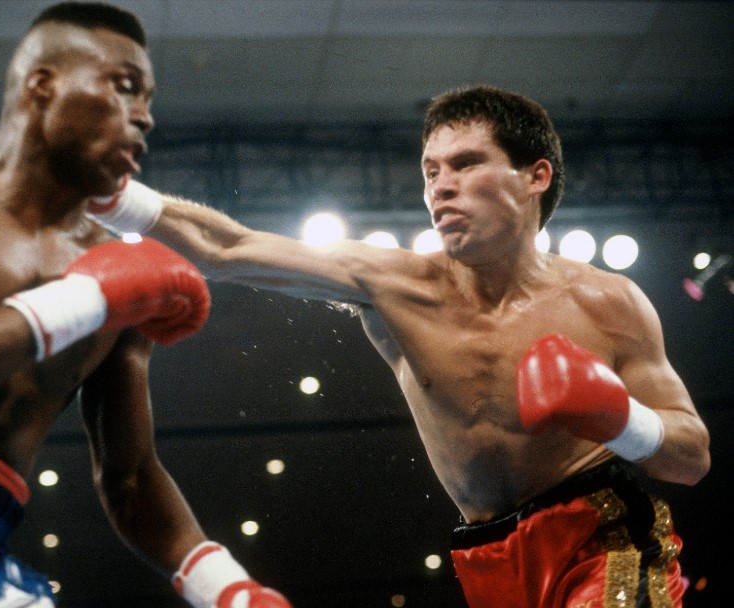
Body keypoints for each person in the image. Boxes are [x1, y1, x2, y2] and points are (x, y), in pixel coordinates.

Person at [88, 85, 712, 607]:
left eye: (466, 163)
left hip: (602, 540)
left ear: (535, 177)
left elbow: (691, 458)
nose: (440, 186)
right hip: (488, 558)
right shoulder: (396, 285)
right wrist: (110, 195)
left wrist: (621, 418)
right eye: (431, 171)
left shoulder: (607, 304)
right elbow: (228, 247)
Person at [0, 2, 291, 608]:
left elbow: (130, 480)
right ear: (42, 84)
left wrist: (228, 589)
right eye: (124, 87)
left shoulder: (117, 275)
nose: (145, 118)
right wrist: (88, 300)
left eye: (148, 100)